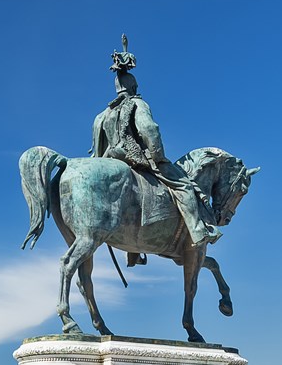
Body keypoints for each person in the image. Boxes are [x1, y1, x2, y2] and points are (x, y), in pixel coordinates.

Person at [91, 37, 220, 265]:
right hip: (134, 156)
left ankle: (133, 251)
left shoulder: (101, 116)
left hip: (111, 158)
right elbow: (150, 129)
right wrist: (158, 156)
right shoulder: (137, 104)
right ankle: (199, 230)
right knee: (185, 186)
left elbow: (96, 152)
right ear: (133, 87)